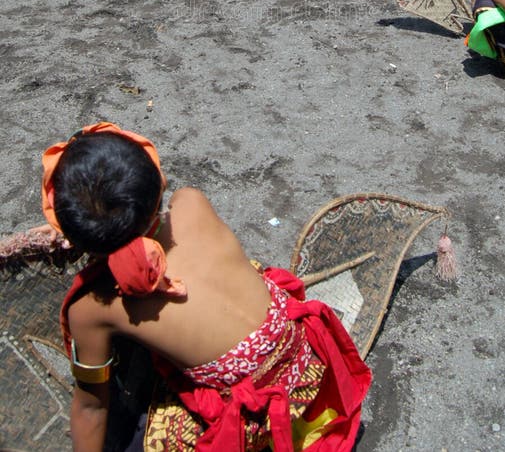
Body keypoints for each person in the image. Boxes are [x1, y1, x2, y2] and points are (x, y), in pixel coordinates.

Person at [41, 122, 371, 451]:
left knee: (130, 430)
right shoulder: (190, 202)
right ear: (160, 180)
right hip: (309, 366)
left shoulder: (91, 308)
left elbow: (91, 408)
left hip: (259, 412)